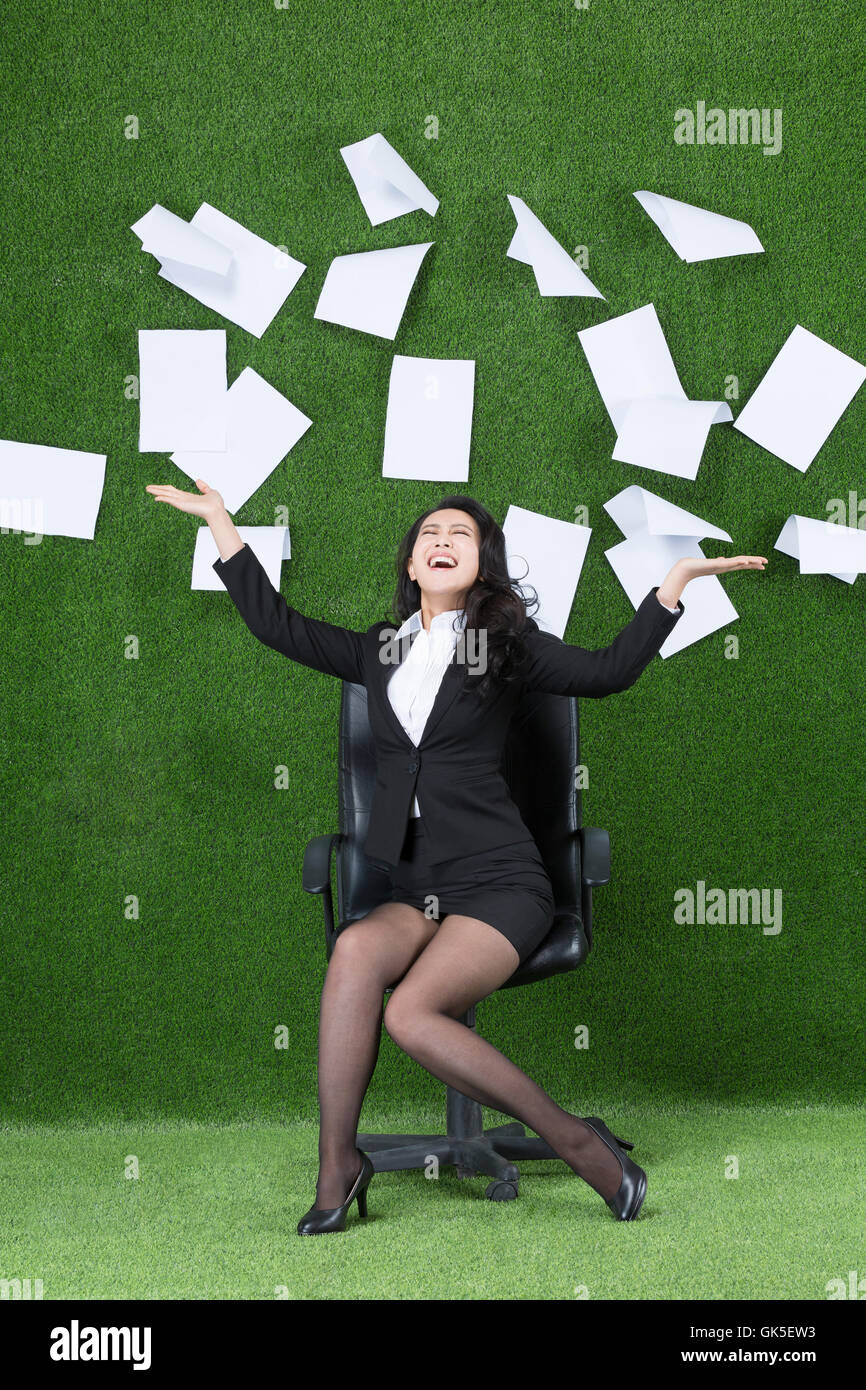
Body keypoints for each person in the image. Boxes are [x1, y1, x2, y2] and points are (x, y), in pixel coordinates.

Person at [146, 479, 767, 1232]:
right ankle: (339, 1164)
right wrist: (221, 523)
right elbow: (278, 625)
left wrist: (672, 587)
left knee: (411, 1013)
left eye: (461, 536)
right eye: (430, 535)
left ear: (482, 564)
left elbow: (608, 673)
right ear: (411, 564)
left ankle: (575, 1141)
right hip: (414, 885)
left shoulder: (507, 649)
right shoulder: (380, 649)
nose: (442, 542)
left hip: (501, 882)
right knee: (352, 953)